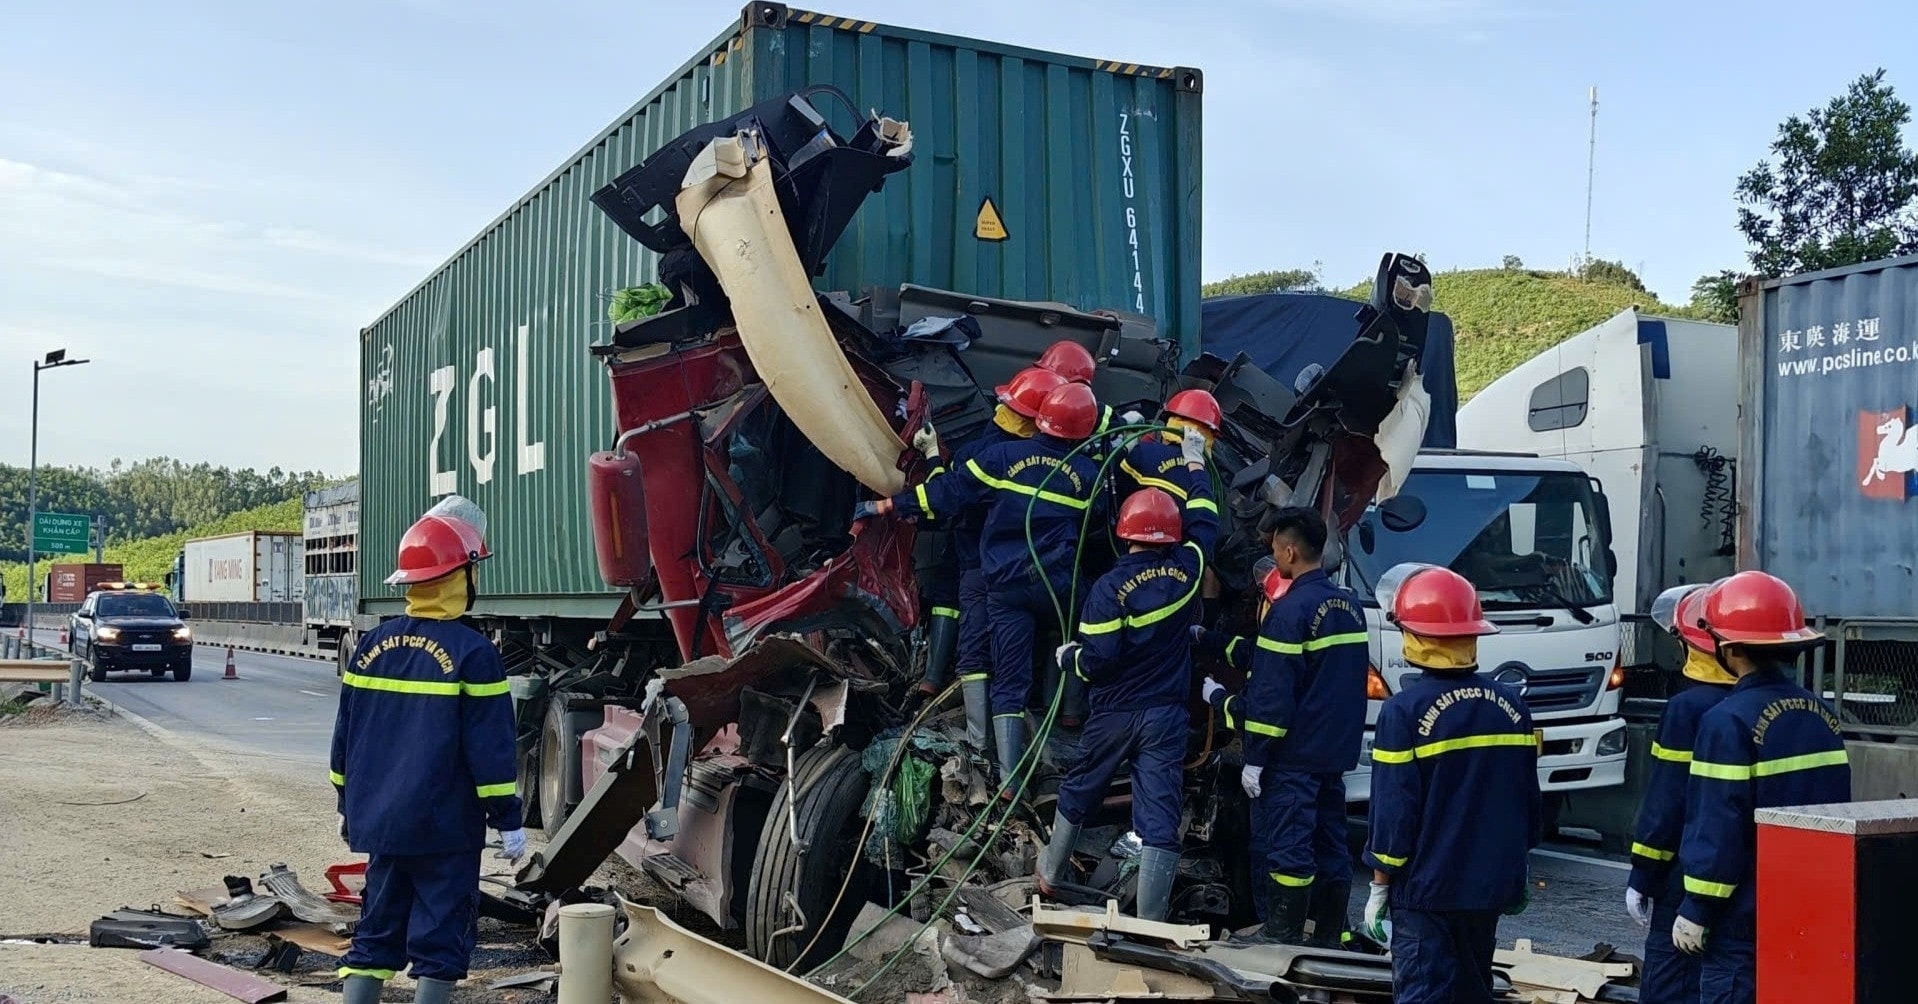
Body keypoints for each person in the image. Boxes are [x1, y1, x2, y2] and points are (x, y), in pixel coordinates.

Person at [331, 496, 526, 1004]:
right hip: (446, 828)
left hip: (384, 824)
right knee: (440, 939)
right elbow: (491, 753)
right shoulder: (474, 655)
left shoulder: (370, 647)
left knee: (375, 932)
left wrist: (345, 804)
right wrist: (507, 820)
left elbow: (344, 741)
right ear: (460, 578)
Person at [860, 382, 1108, 780]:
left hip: (1007, 587)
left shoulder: (1000, 457)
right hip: (1058, 586)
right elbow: (1098, 522)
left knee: (1009, 679)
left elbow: (945, 495)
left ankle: (1006, 777)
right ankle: (1069, 713)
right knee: (1075, 634)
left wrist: (888, 504)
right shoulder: (1090, 474)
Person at [1036, 428, 1217, 921]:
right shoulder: (1187, 569)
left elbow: (1098, 661)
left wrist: (1068, 658)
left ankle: (1050, 874)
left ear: (1125, 532)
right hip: (1165, 716)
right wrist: (1196, 468)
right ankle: (1152, 921)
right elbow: (1205, 521)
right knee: (1159, 812)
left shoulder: (1108, 590)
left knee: (1081, 787)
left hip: (1115, 713)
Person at [1362, 564, 1539, 1004]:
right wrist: (1516, 870)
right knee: (1473, 991)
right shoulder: (1512, 706)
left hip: (1427, 892)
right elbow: (1526, 803)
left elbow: (1394, 815)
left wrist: (1380, 886)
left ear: (1414, 636)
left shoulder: (1402, 712)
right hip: (1488, 888)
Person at [1674, 571, 1849, 1004]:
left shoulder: (1727, 720)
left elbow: (1717, 825)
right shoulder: (1821, 713)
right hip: (1808, 902)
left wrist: (1697, 907)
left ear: (1728, 648)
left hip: (1741, 916)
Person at [1199, 505, 1368, 945]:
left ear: (1290, 551)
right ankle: (1331, 934)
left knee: (1289, 846)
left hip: (1292, 758)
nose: (1273, 556)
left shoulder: (1289, 612)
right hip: (1333, 756)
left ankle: (1282, 933)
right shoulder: (1348, 606)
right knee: (1331, 844)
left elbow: (1272, 700)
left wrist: (1253, 753)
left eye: (1274, 548)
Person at [908, 366, 1062, 750]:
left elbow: (943, 496)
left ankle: (968, 726)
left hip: (974, 562)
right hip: (1021, 567)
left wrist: (931, 455)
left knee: (970, 637)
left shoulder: (977, 451)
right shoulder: (1052, 460)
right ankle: (1056, 715)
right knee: (1019, 652)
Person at [1626, 580, 1734, 1004]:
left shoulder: (1688, 709)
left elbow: (1667, 803)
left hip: (1687, 877)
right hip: (1753, 880)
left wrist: (1643, 875)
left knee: (1671, 985)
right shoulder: (1783, 705)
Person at [1118, 389, 1223, 503]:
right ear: (1209, 437)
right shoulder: (1208, 480)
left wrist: (1123, 448)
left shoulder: (1143, 452)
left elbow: (1111, 488)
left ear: (1170, 423)